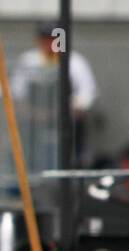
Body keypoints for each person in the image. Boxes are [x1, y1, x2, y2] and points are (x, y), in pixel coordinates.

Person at [10, 21, 99, 169]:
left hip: (68, 127)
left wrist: (64, 112)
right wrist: (36, 114)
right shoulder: (29, 61)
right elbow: (17, 95)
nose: (49, 43)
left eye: (53, 38)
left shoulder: (75, 63)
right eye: (45, 38)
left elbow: (86, 96)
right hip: (34, 127)